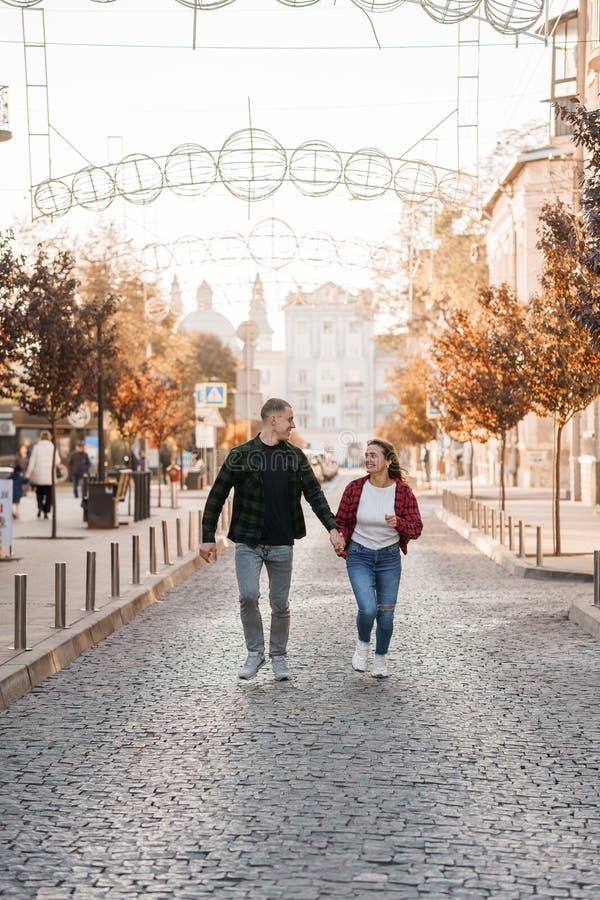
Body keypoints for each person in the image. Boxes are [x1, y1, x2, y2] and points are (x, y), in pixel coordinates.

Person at [199, 397, 345, 682]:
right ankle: (255, 653)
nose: (293, 425)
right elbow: (217, 495)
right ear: (273, 420)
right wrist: (207, 537)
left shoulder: (295, 456)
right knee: (248, 596)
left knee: (280, 603)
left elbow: (315, 495)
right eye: (290, 419)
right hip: (249, 542)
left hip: (281, 543)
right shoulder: (241, 455)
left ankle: (278, 655)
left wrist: (333, 528)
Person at [334, 438, 423, 679]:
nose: (368, 460)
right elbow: (340, 520)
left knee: (386, 614)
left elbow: (416, 527)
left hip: (389, 559)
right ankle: (363, 645)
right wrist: (338, 537)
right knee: (368, 608)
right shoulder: (355, 488)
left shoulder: (402, 491)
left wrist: (399, 522)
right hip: (359, 555)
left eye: (374, 455)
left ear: (388, 460)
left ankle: (381, 658)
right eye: (367, 455)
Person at [25, 430, 55, 520]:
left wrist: (28, 474)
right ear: (49, 437)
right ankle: (46, 511)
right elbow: (57, 461)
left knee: (39, 493)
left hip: (39, 476)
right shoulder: (52, 447)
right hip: (50, 476)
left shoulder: (37, 447)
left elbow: (32, 461)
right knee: (49, 494)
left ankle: (40, 507)